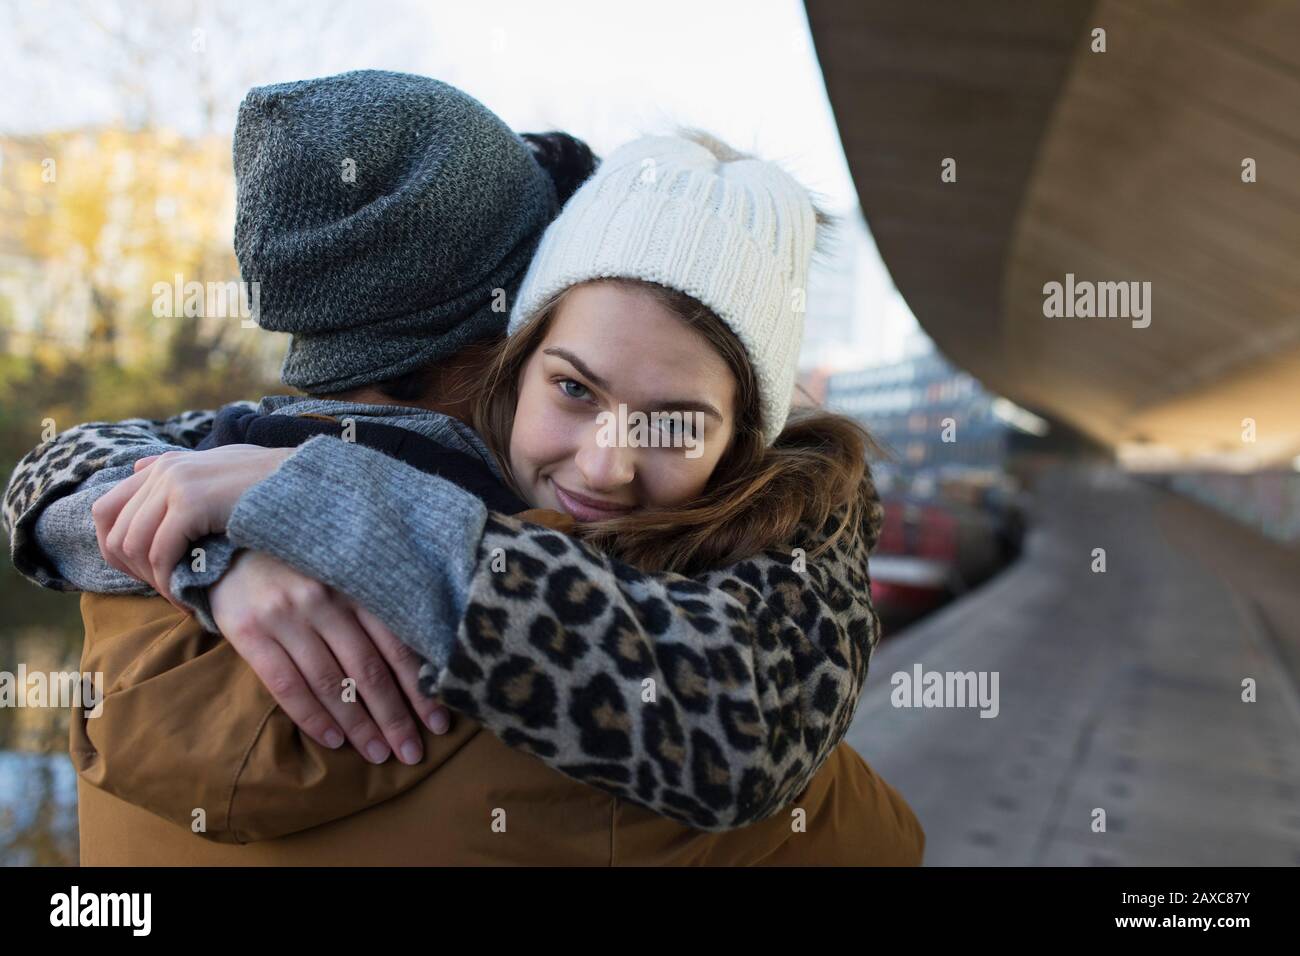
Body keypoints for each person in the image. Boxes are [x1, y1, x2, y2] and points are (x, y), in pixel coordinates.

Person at [4, 73, 923, 861]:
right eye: (572, 386)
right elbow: (855, 818)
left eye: (676, 422)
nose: (605, 465)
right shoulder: (644, 669)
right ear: (513, 348)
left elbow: (54, 469)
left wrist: (234, 537)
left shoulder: (173, 527)